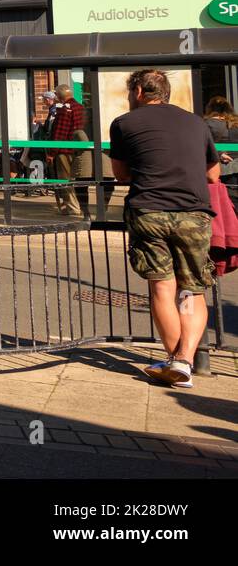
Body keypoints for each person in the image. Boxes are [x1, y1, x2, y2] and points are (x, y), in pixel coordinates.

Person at [110, 69, 220, 390]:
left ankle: (177, 362)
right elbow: (213, 174)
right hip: (193, 213)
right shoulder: (196, 123)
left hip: (150, 210)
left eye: (131, 93)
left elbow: (120, 175)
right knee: (192, 288)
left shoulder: (123, 124)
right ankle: (184, 359)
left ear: (140, 93)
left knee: (162, 287)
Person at [50, 84, 86, 216]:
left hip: (64, 151)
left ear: (59, 96)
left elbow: (60, 133)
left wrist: (51, 153)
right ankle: (80, 206)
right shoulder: (81, 108)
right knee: (78, 180)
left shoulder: (65, 110)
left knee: (65, 180)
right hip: (79, 149)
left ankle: (73, 208)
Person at [204, 97, 238, 215]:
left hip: (217, 171)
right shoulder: (235, 123)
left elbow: (204, 146)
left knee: (223, 208)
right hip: (235, 170)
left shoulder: (205, 124)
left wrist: (219, 154)